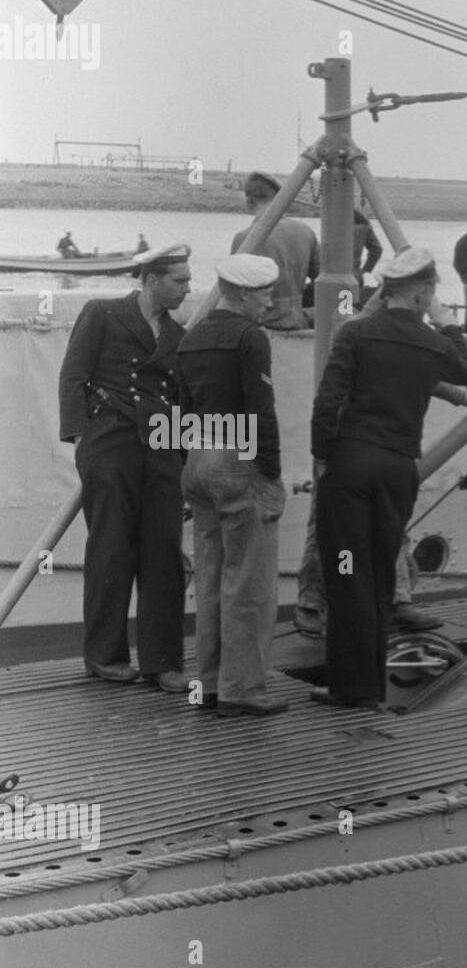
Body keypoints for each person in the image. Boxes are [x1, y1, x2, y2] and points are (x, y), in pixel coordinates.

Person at [310, 247, 467, 708]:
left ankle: (350, 686)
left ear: (387, 289)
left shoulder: (355, 333)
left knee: (346, 570)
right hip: (398, 469)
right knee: (382, 572)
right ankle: (369, 686)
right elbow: (465, 371)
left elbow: (328, 401)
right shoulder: (431, 343)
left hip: (351, 465)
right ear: (423, 292)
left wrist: (323, 457)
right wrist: (449, 325)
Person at [57, 243, 192, 690]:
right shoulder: (103, 313)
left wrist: (183, 461)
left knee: (164, 551)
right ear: (152, 280)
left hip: (160, 448)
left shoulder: (178, 336)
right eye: (180, 280)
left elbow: (181, 402)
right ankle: (104, 655)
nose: (187, 289)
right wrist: (83, 440)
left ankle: (163, 660)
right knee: (111, 548)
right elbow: (73, 376)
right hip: (110, 444)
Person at [177, 254, 288, 719]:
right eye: (264, 294)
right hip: (237, 460)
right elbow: (261, 408)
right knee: (250, 582)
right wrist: (271, 473)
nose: (270, 302)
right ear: (242, 293)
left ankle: (209, 683)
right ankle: (243, 688)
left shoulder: (192, 338)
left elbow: (183, 411)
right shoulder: (250, 338)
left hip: (197, 462)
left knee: (211, 578)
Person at [231, 170, 320, 330]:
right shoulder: (305, 231)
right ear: (281, 200)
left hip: (260, 326)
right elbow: (323, 277)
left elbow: (234, 294)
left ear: (249, 201)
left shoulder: (244, 238)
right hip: (299, 321)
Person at [352, 207, 383, 282]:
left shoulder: (331, 223)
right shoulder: (362, 223)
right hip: (354, 277)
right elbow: (377, 251)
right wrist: (364, 272)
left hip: (328, 278)